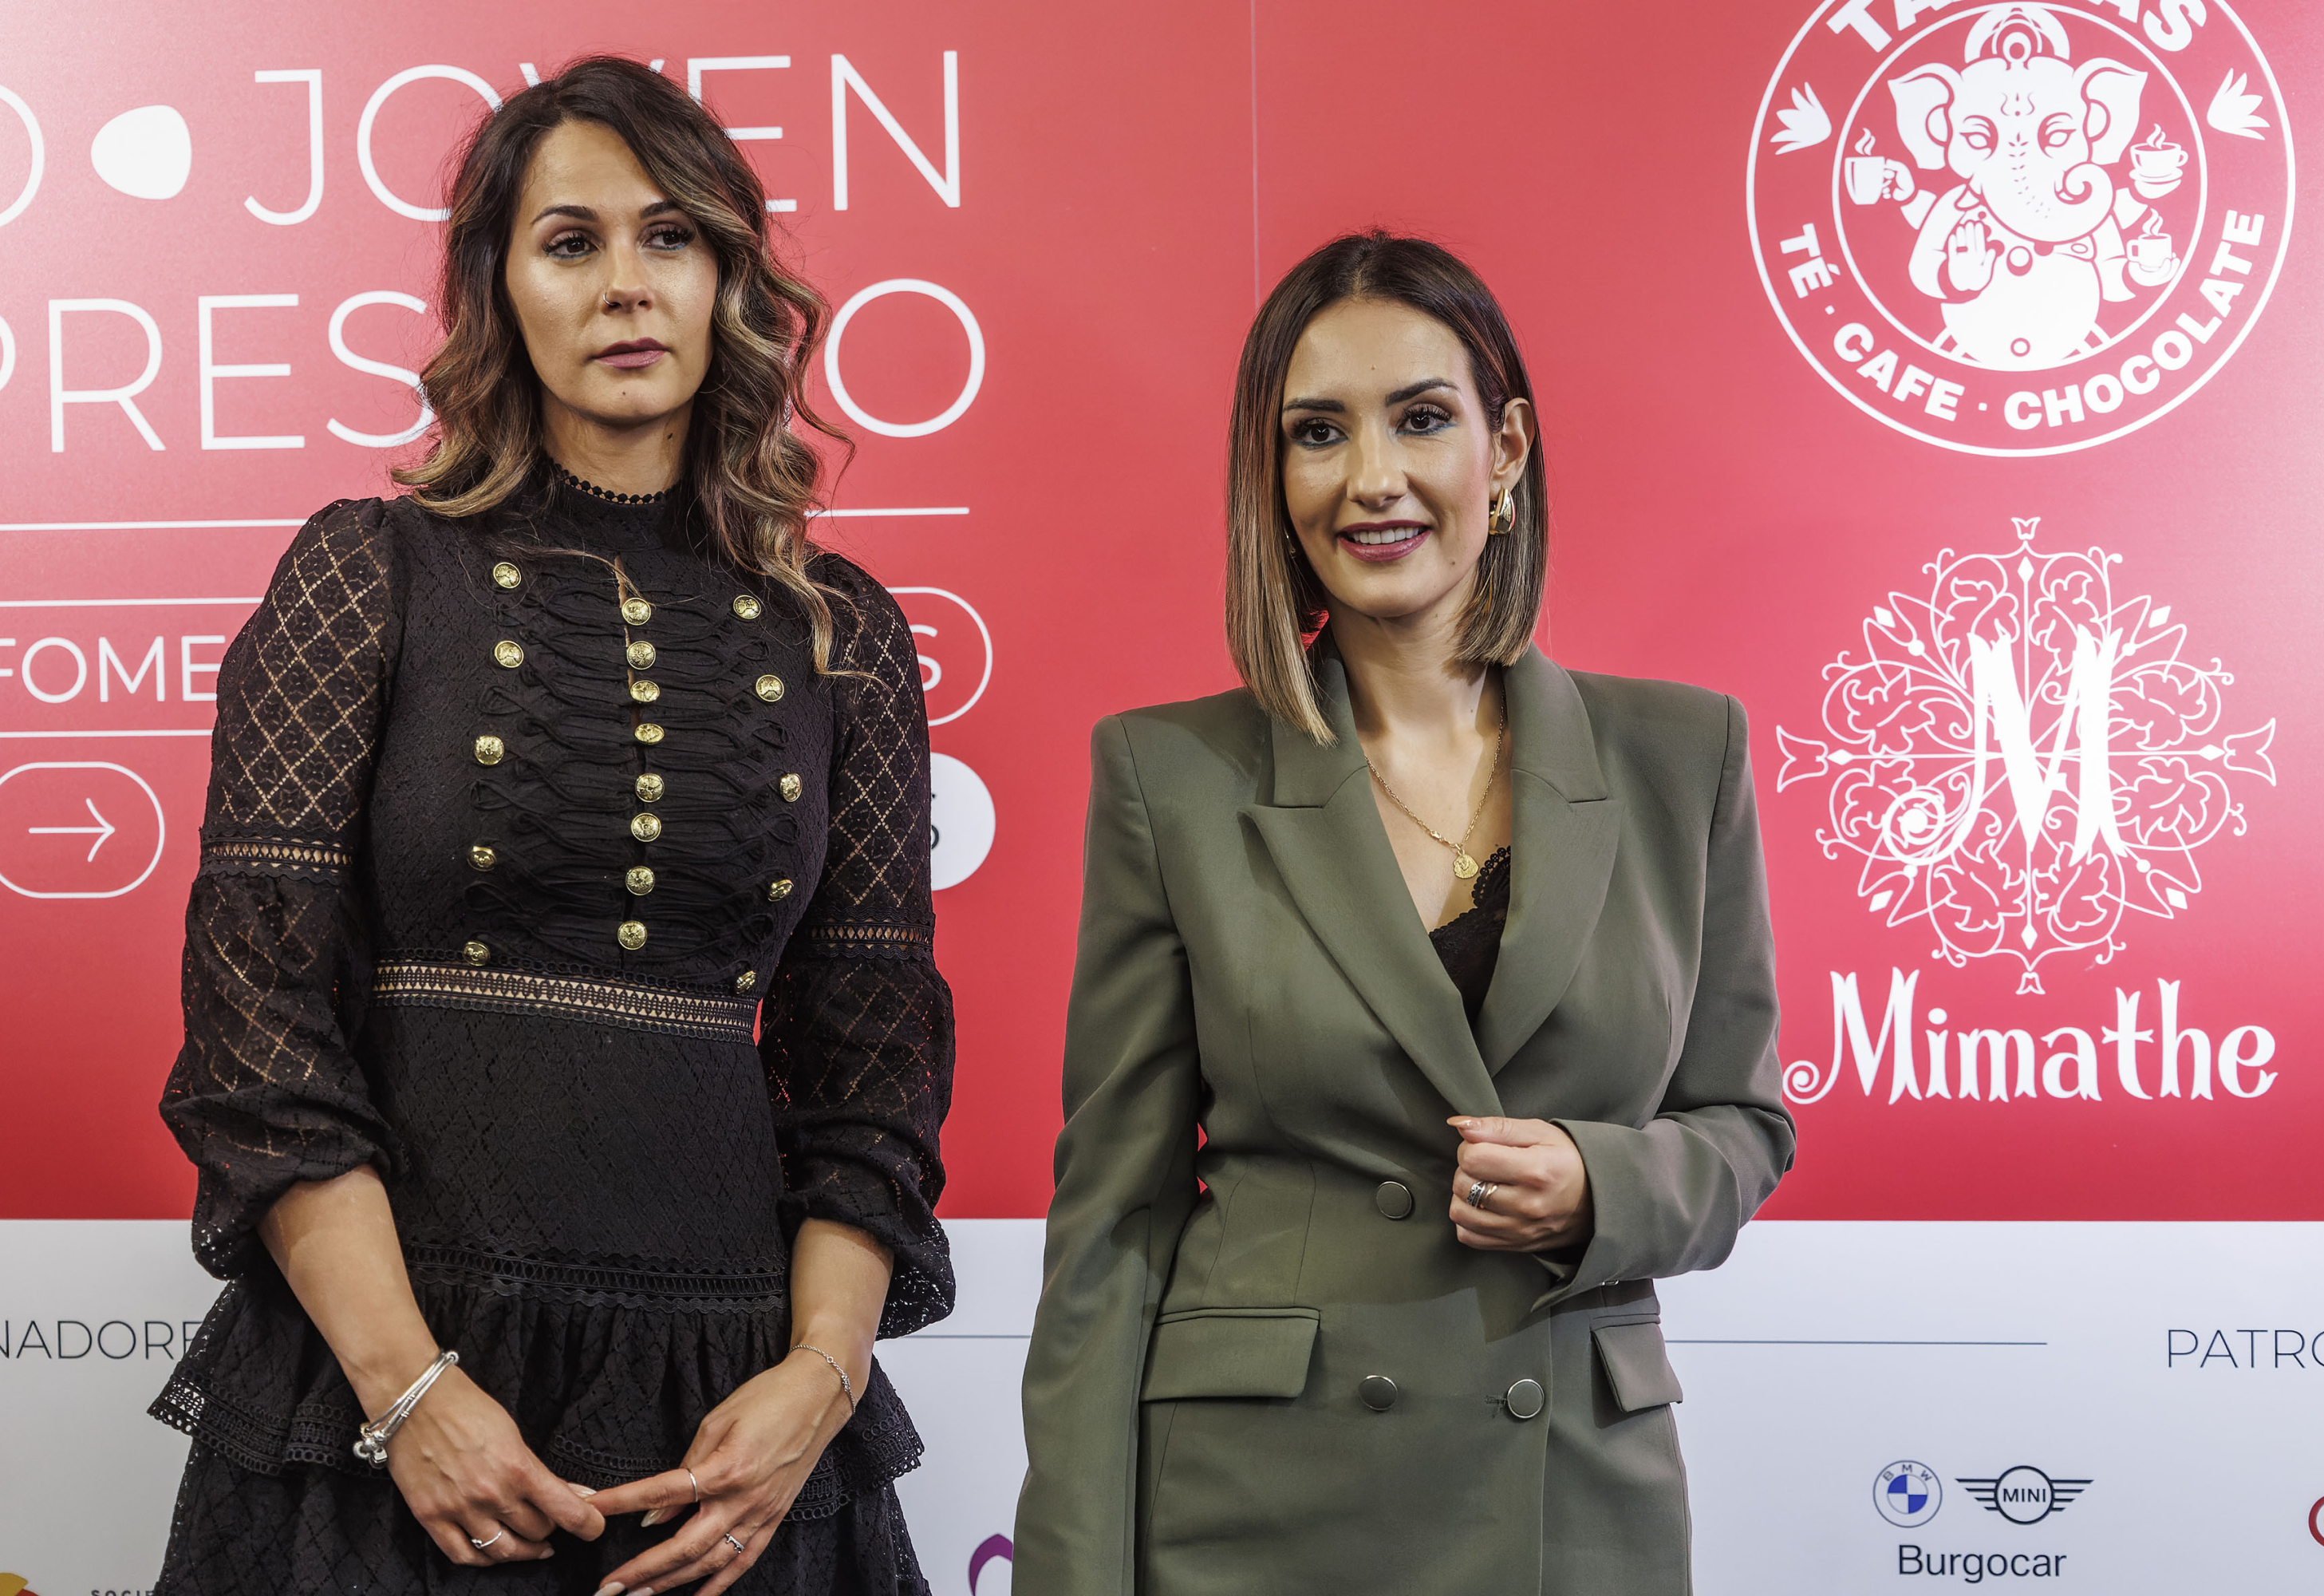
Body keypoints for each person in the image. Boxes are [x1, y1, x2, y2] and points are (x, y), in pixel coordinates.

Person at [149, 57, 951, 1596]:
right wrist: (409, 1391)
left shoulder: (839, 629)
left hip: (735, 1414)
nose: (625, 286)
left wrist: (820, 1384)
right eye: (570, 242)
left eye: (670, 238)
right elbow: (257, 1014)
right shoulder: (368, 572)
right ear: (498, 288)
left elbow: (872, 1057)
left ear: (728, 278)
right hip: (399, 1390)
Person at [1014, 232, 1797, 1595]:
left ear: (1506, 453)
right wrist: (1072, 1574)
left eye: (1420, 419)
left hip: (1573, 1507)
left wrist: (1599, 1184)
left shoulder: (1684, 757)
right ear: (1275, 477)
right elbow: (1114, 1221)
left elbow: (1745, 1126)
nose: (1371, 478)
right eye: (1318, 433)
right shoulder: (1170, 775)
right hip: (1262, 1511)